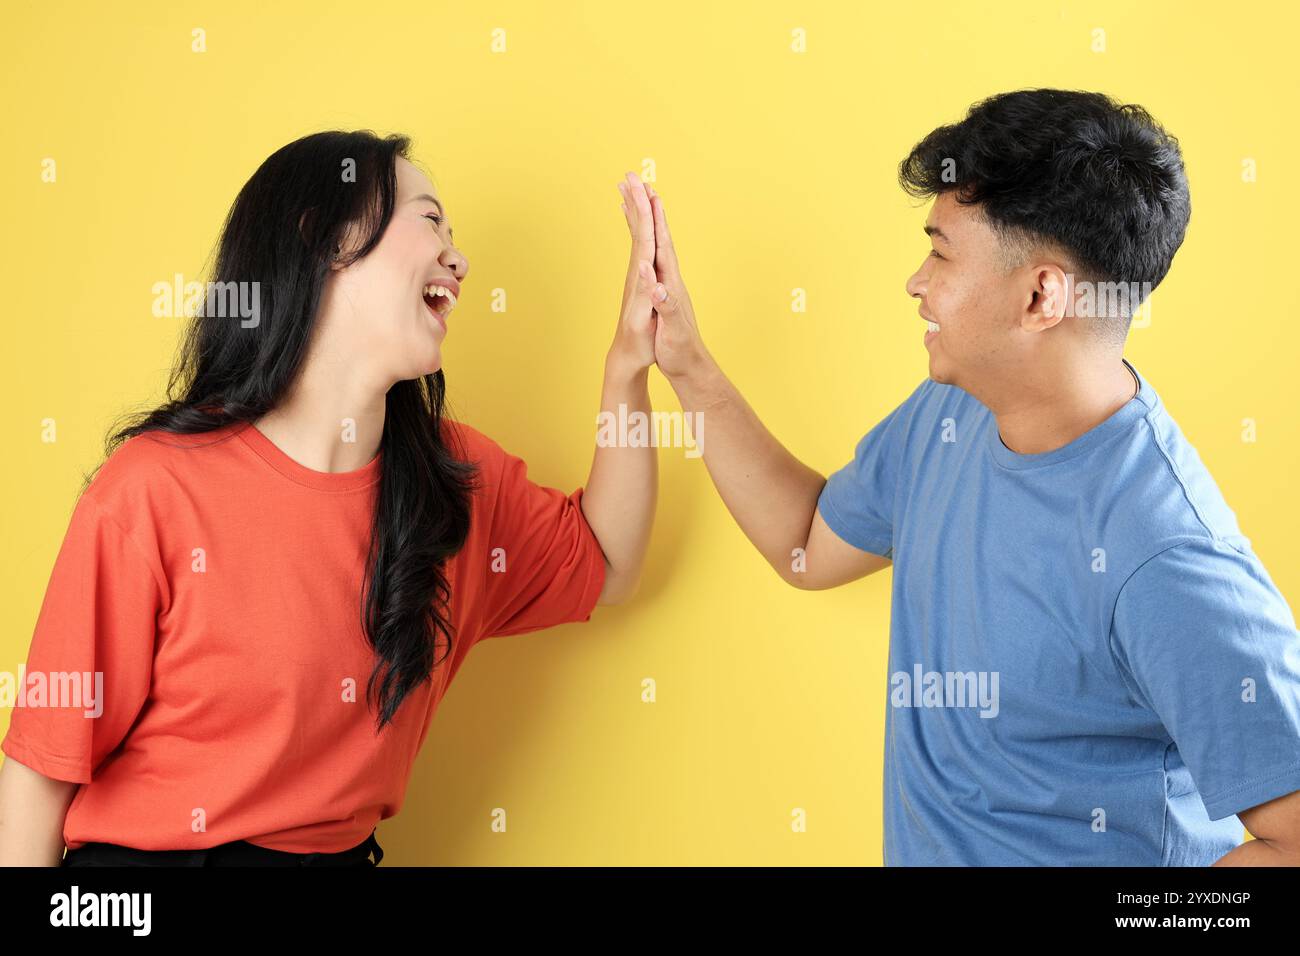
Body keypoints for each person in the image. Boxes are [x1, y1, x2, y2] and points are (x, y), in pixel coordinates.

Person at [643, 89, 1300, 865]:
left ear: (1039, 295)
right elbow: (806, 544)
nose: (916, 282)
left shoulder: (1168, 557)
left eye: (942, 252)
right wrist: (684, 360)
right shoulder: (948, 414)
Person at [0, 131, 659, 866]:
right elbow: (41, 771)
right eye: (430, 220)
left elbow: (610, 559)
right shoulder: (154, 488)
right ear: (323, 239)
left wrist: (629, 365)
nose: (458, 258)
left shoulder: (454, 483)